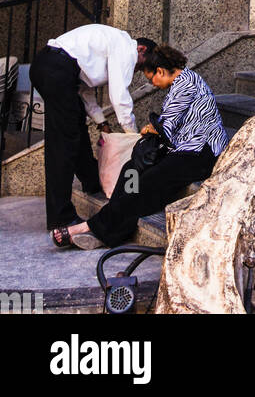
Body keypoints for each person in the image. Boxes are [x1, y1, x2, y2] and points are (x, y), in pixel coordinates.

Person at [53, 44, 228, 250]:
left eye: (151, 78)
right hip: (181, 147)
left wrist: (148, 129)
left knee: (146, 183)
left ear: (160, 71)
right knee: (131, 171)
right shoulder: (180, 82)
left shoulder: (186, 84)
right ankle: (112, 224)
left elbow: (165, 126)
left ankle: (88, 227)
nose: (152, 84)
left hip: (200, 153)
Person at [29, 24, 154, 233]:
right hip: (57, 69)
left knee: (75, 129)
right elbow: (118, 95)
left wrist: (100, 121)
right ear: (141, 50)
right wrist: (132, 134)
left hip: (50, 67)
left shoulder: (103, 47)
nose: (139, 70)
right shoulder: (126, 46)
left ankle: (92, 181)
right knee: (63, 145)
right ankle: (61, 217)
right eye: (142, 66)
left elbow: (83, 90)